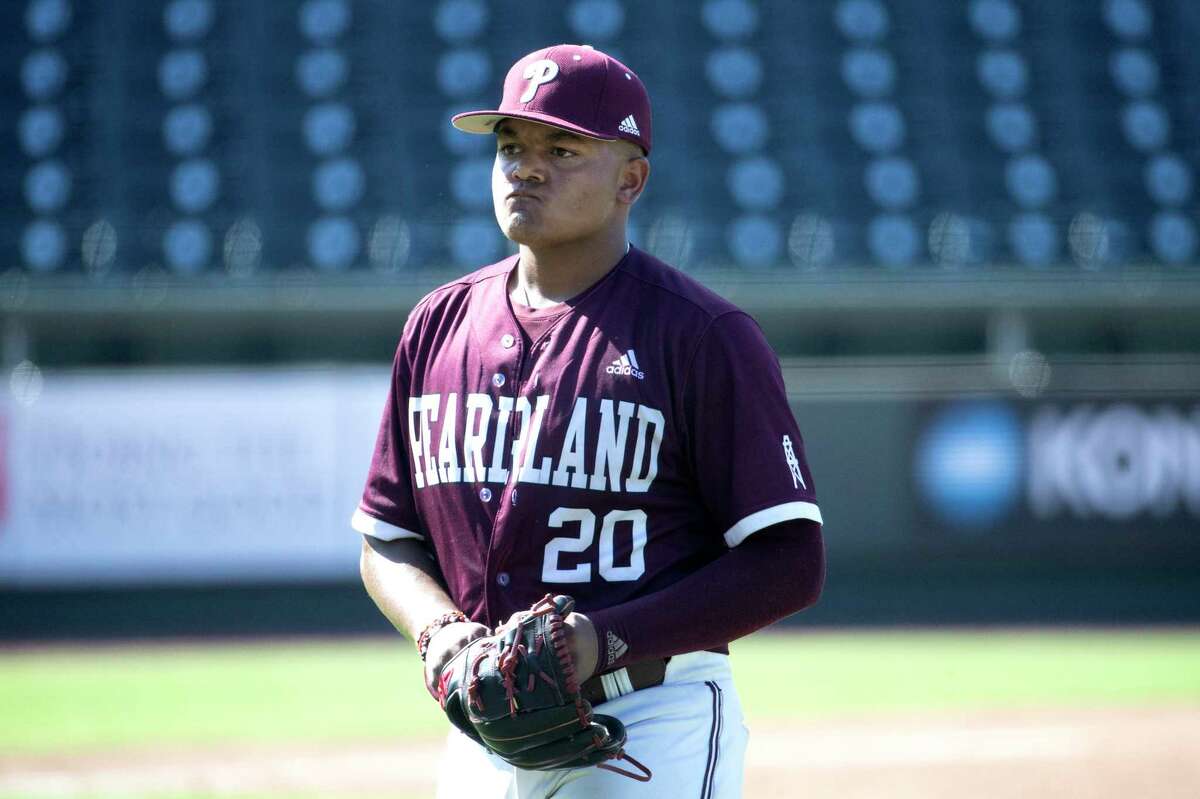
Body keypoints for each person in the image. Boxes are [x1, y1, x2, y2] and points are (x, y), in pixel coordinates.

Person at [354, 43, 825, 798]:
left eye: (561, 149)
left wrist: (601, 639)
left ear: (630, 180)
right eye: (510, 146)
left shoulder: (702, 335)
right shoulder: (436, 326)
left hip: (651, 715)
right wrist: (440, 632)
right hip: (484, 726)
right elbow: (387, 537)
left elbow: (790, 561)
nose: (525, 168)